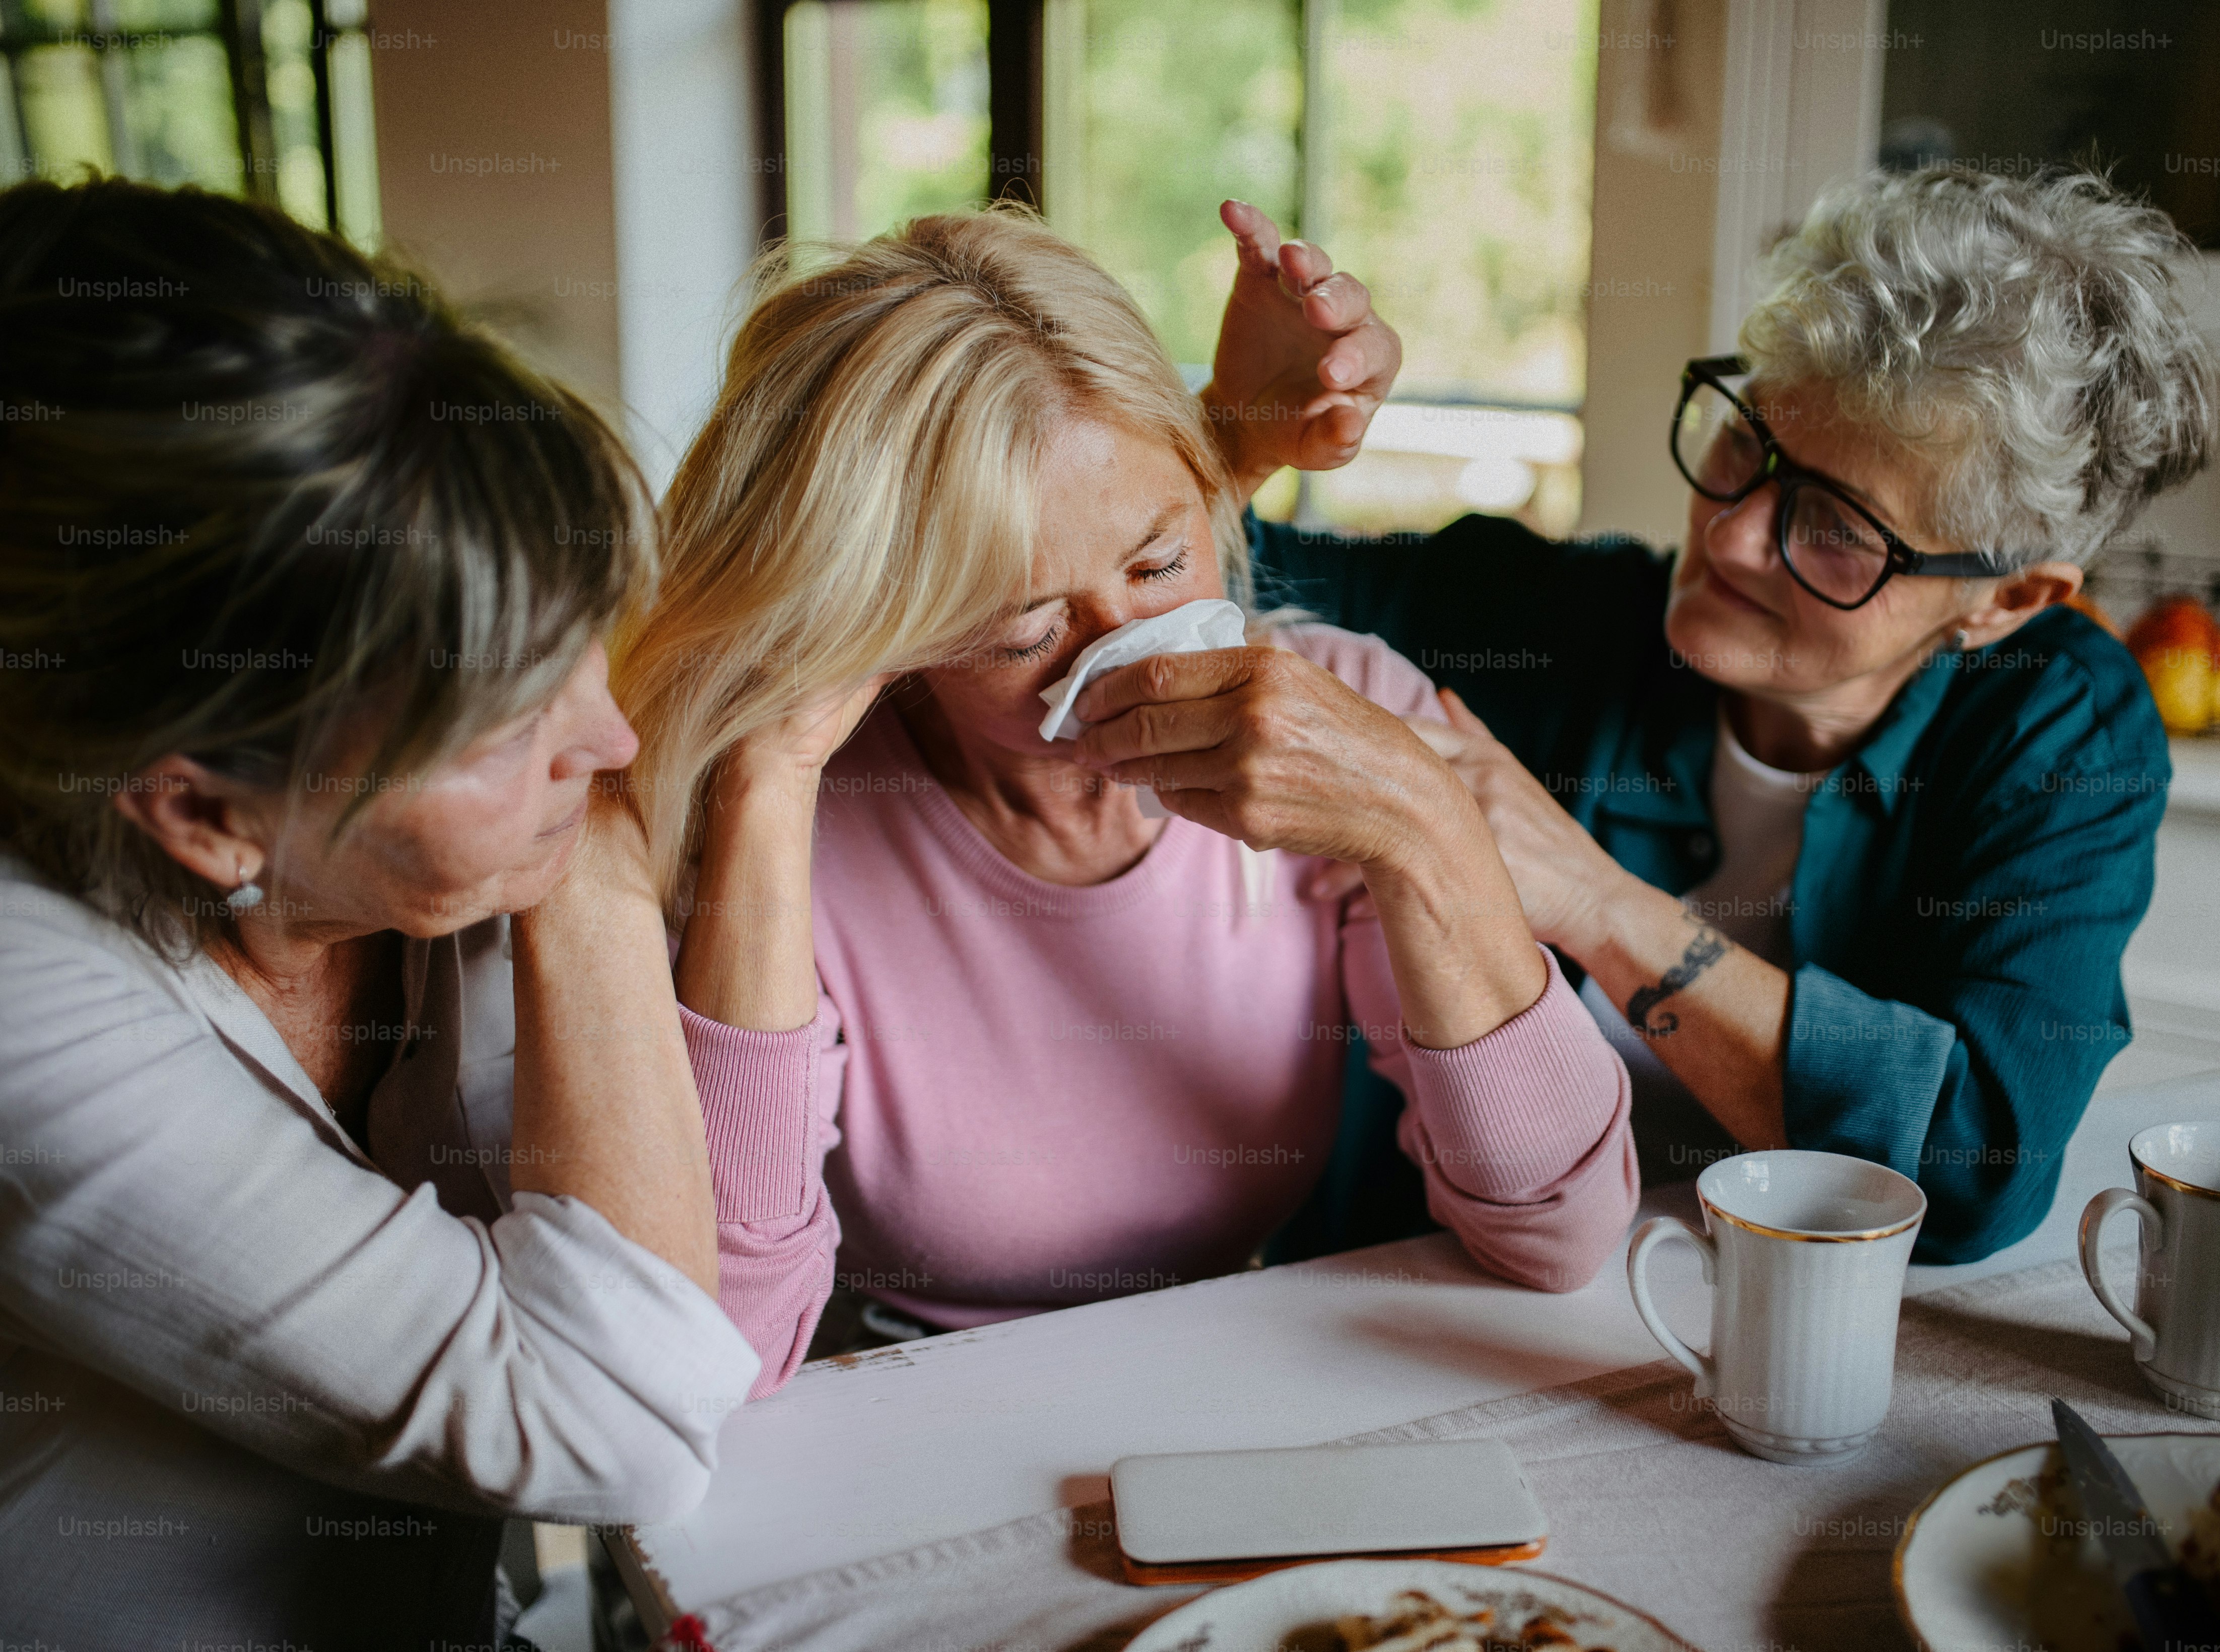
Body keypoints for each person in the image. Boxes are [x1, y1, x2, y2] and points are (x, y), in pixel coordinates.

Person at [613, 207, 1639, 1377]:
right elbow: (713, 1348)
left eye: (1158, 564)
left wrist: (1422, 824)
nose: (1126, 655)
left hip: (1229, 1382)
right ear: (884, 631)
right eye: (1022, 630)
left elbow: (1561, 1233)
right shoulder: (786, 817)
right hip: (889, 1410)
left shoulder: (1340, 710)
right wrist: (764, 768)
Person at [0, 179, 759, 1643]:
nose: (610, 744)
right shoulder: (25, 997)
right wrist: (596, 882)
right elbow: (628, 1422)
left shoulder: (423, 840)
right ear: (206, 810)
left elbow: (750, 1294)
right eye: (509, 719)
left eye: (584, 638)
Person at [1256, 165, 2212, 1263]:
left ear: (2005, 598)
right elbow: (1200, 578)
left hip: (1802, 1329)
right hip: (1416, 1290)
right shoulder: (1549, 622)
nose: (1730, 537)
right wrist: (1233, 436)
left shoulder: (2063, 734)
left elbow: (1973, 1164)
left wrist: (1598, 902)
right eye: (1742, 444)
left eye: (1840, 528)